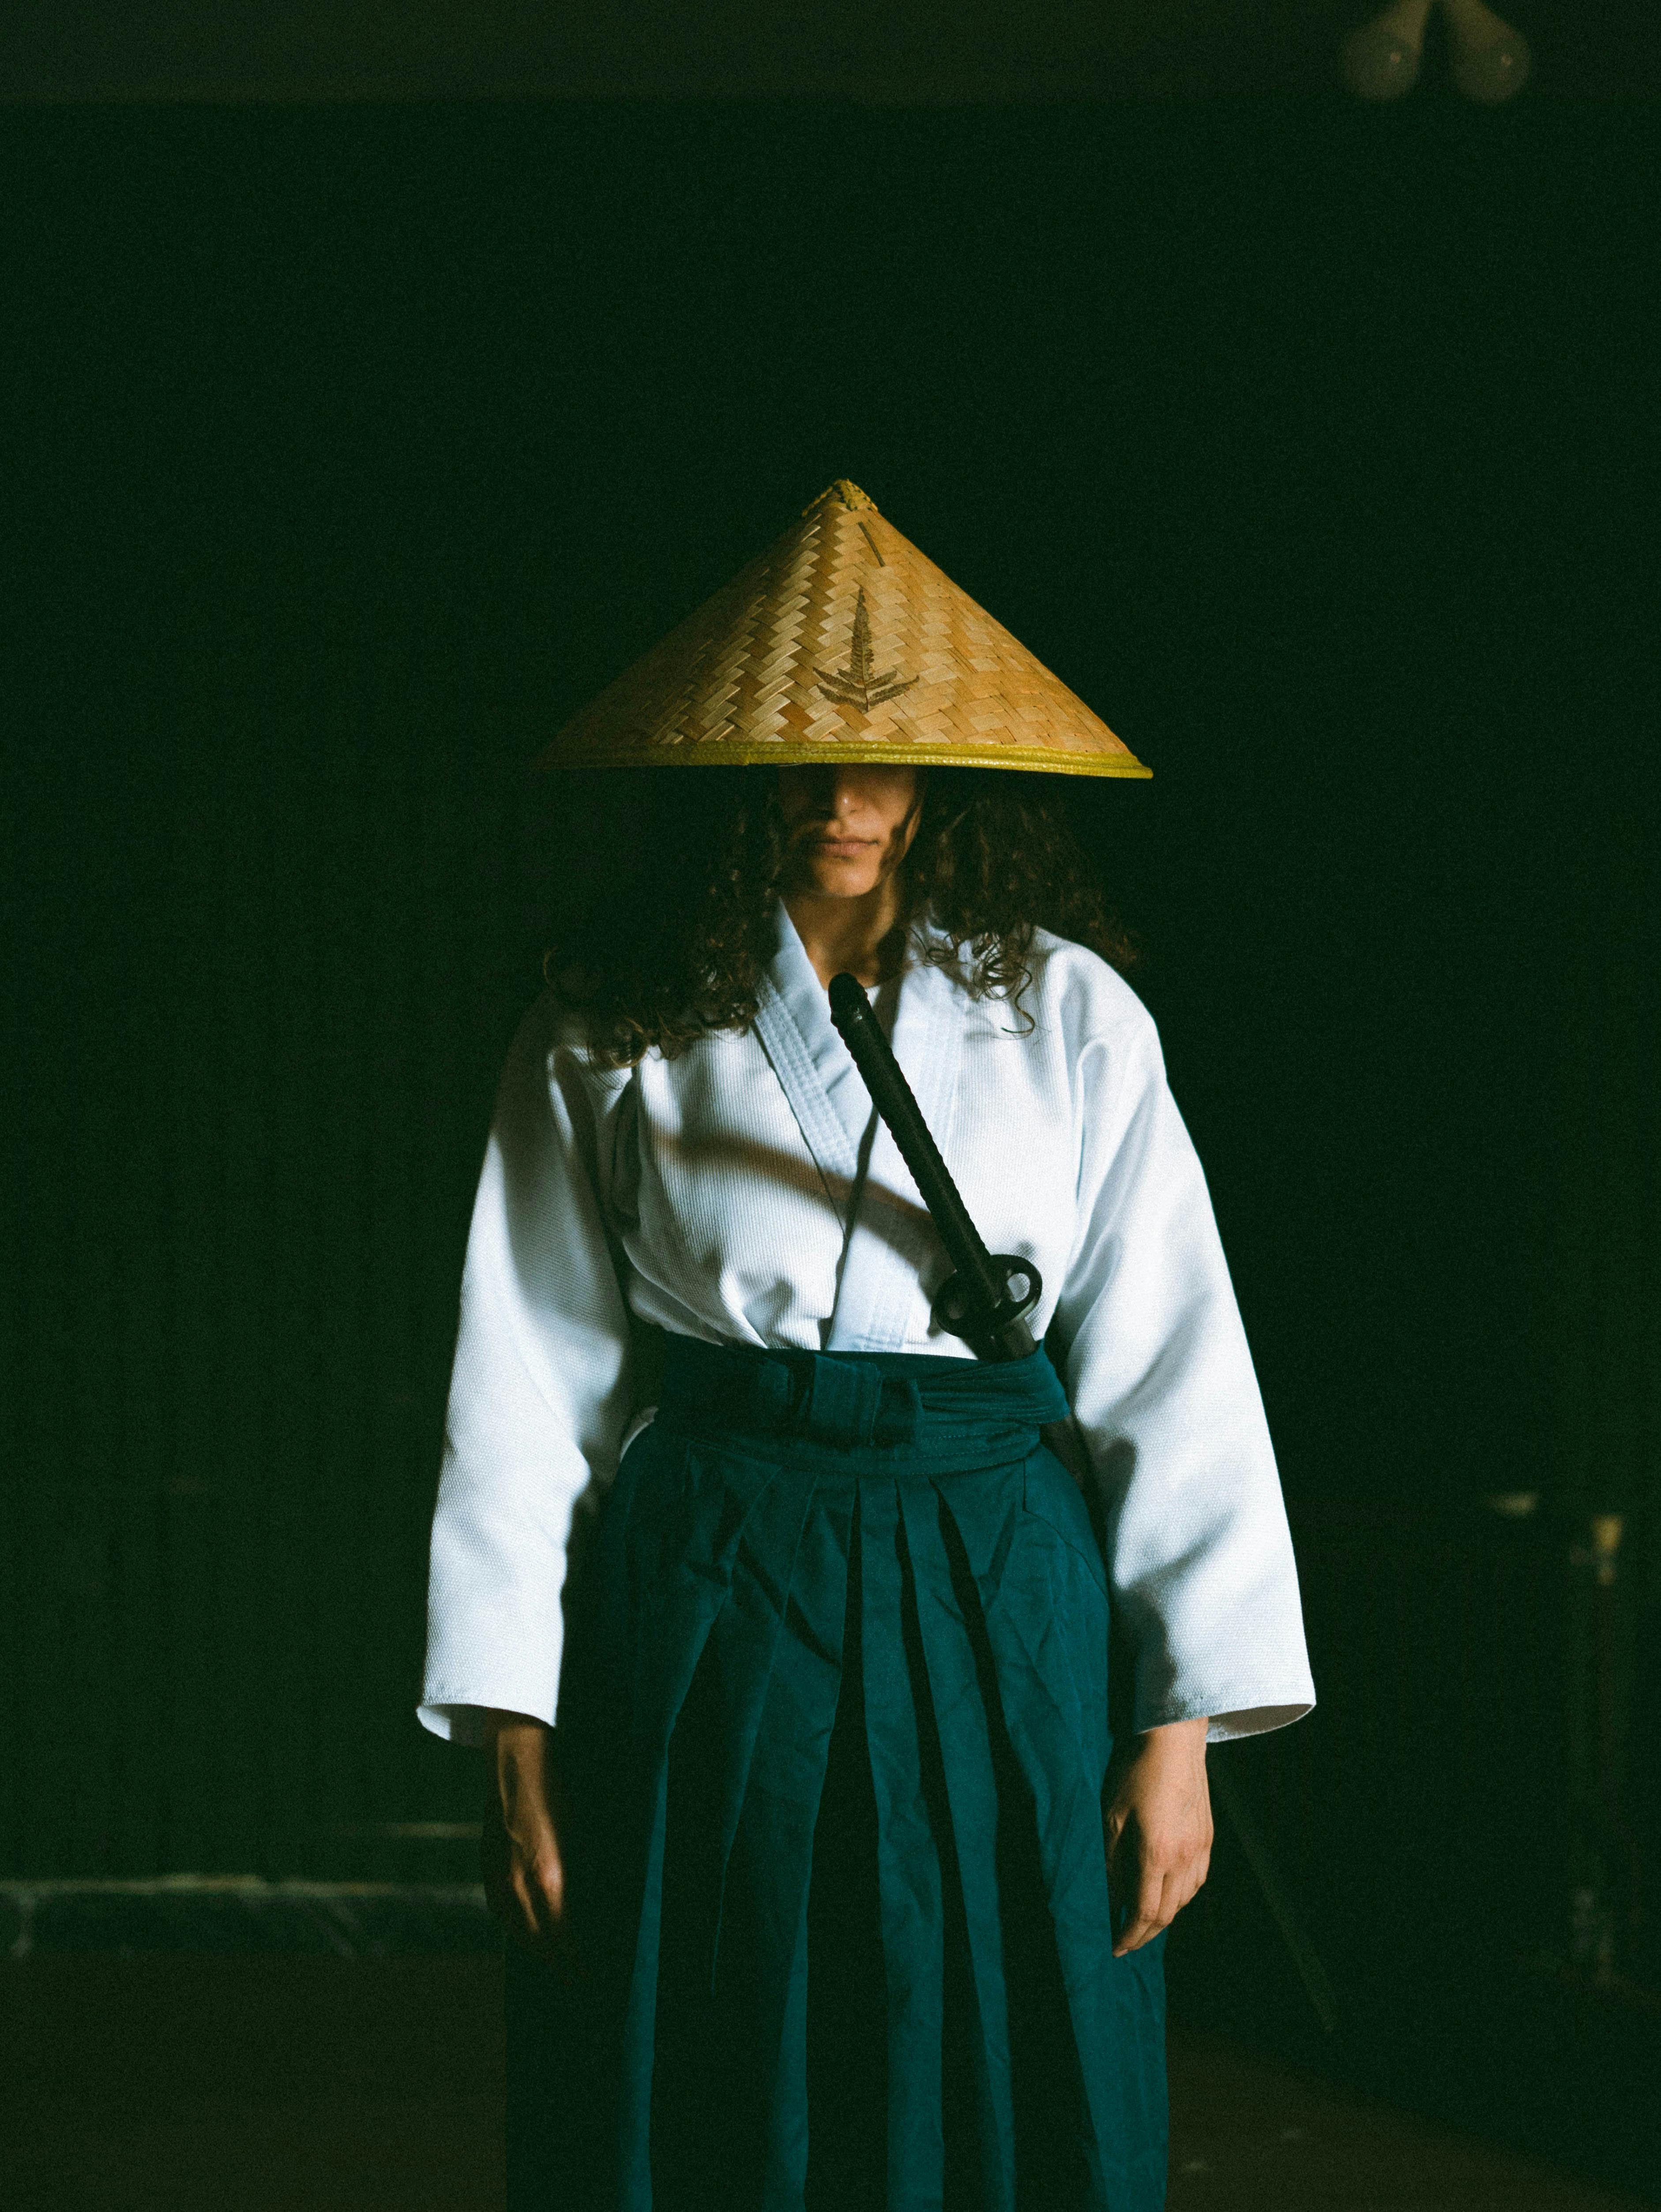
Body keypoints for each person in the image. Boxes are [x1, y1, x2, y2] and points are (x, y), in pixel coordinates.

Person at [420, 483, 1315, 2212]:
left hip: (999, 1572)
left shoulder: (1066, 1015)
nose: (841, 799)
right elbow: (522, 1378)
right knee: (704, 2033)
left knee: (1004, 2023)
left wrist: (1176, 1726)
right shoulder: (610, 1021)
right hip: (710, 1583)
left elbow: (1168, 1366)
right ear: (724, 771)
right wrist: (517, 1729)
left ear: (944, 775)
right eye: (796, 760)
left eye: (881, 761)